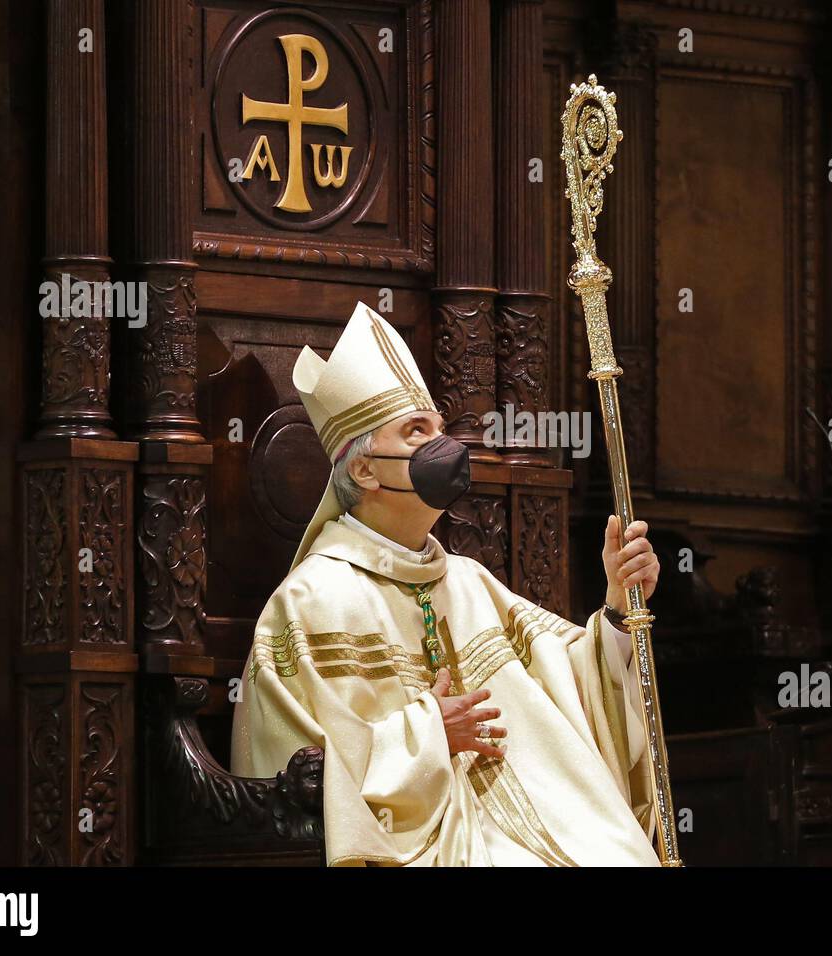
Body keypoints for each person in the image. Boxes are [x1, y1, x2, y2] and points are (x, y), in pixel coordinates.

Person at [230, 301, 662, 866]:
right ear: (364, 469)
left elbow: (575, 687)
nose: (444, 446)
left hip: (529, 828)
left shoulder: (467, 581)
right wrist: (430, 735)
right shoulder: (311, 602)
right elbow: (294, 776)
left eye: (439, 427)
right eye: (417, 432)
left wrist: (615, 607)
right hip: (415, 844)